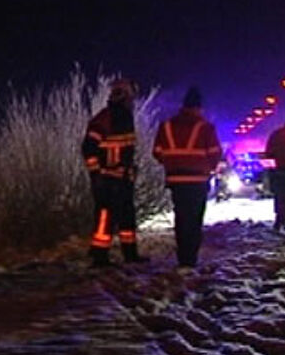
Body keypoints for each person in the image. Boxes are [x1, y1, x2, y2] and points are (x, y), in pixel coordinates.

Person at [154, 87, 222, 269]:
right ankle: (190, 258)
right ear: (199, 107)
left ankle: (182, 256)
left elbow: (158, 152)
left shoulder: (166, 126)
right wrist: (208, 168)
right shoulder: (206, 127)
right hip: (198, 180)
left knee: (181, 216)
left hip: (176, 180)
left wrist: (172, 163)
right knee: (194, 218)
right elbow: (215, 153)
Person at [82, 78, 145, 267]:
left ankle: (131, 254)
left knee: (127, 217)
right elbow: (88, 148)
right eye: (128, 96)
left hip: (123, 178)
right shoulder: (105, 119)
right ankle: (100, 257)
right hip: (107, 180)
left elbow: (126, 149)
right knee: (105, 218)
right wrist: (97, 173)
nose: (131, 101)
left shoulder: (125, 118)